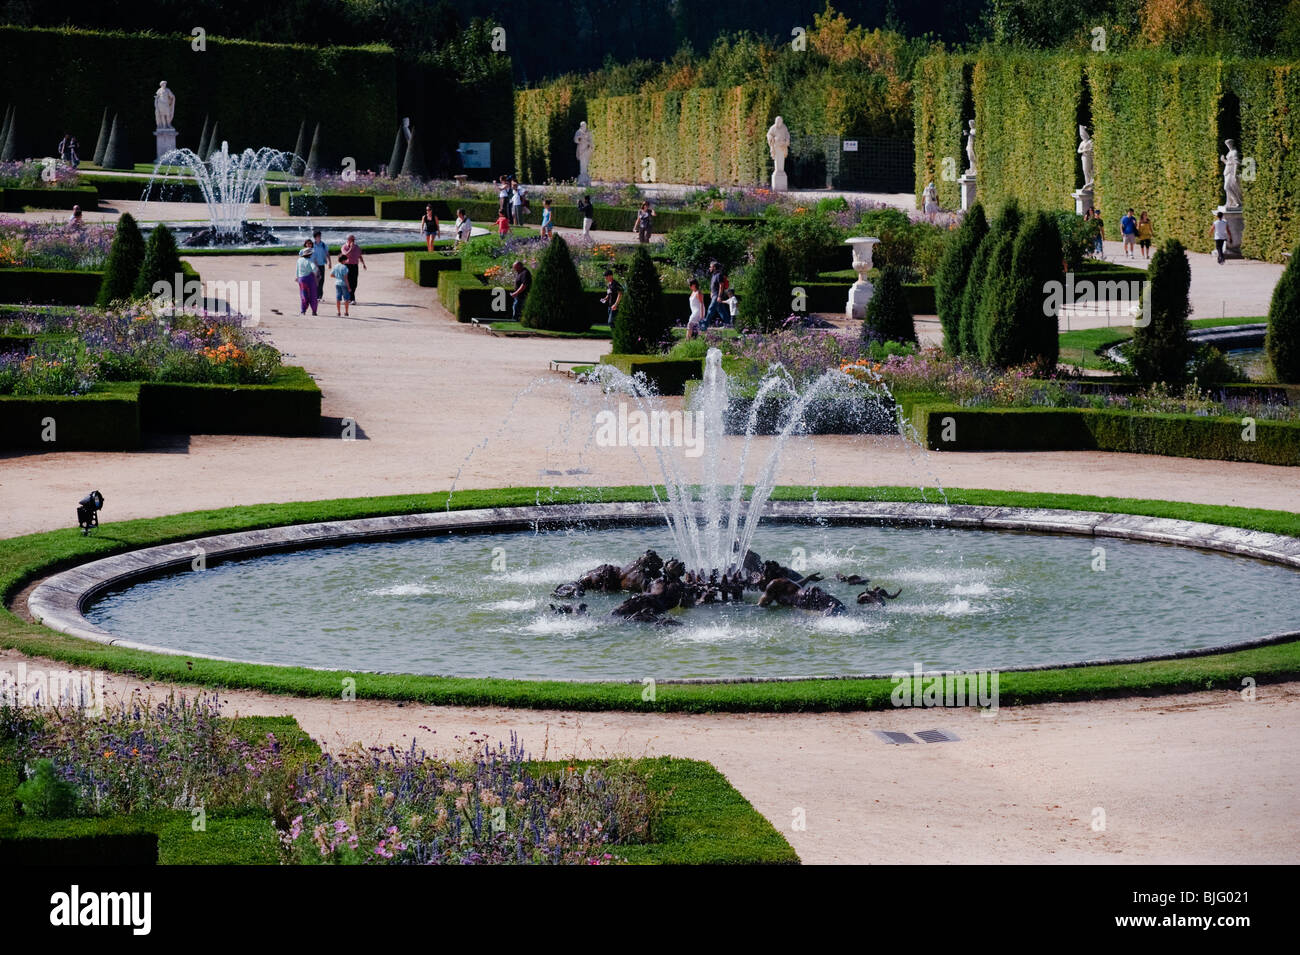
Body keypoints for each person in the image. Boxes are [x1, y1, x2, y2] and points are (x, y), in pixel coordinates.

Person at [339, 235, 365, 304]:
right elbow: (345, 255)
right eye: (352, 239)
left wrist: (363, 264)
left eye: (354, 239)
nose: (353, 241)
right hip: (347, 266)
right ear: (348, 239)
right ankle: (351, 298)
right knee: (348, 282)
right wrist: (351, 248)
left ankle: (349, 298)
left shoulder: (357, 247)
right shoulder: (344, 247)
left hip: (355, 266)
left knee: (354, 283)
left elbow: (360, 256)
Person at [704, 260, 729, 330]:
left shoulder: (719, 275)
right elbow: (714, 285)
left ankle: (705, 325)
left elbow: (721, 286)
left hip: (717, 296)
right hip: (714, 295)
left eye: (710, 267)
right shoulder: (714, 275)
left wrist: (719, 296)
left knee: (710, 309)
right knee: (721, 310)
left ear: (714, 267)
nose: (709, 268)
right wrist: (711, 292)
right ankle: (728, 324)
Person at [296, 241, 319, 316]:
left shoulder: (299, 260)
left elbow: (297, 270)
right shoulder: (310, 261)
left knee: (303, 294)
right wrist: (317, 276)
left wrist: (297, 277)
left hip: (301, 279)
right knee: (313, 295)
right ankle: (314, 311)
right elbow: (315, 269)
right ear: (310, 254)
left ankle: (303, 310)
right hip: (309, 278)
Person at [309, 229, 331, 295]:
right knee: (315, 281)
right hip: (314, 266)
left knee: (321, 280)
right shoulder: (312, 245)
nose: (319, 237)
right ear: (315, 237)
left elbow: (327, 253)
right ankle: (314, 295)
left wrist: (329, 262)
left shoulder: (323, 245)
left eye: (320, 236)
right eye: (318, 236)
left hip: (321, 265)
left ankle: (319, 296)